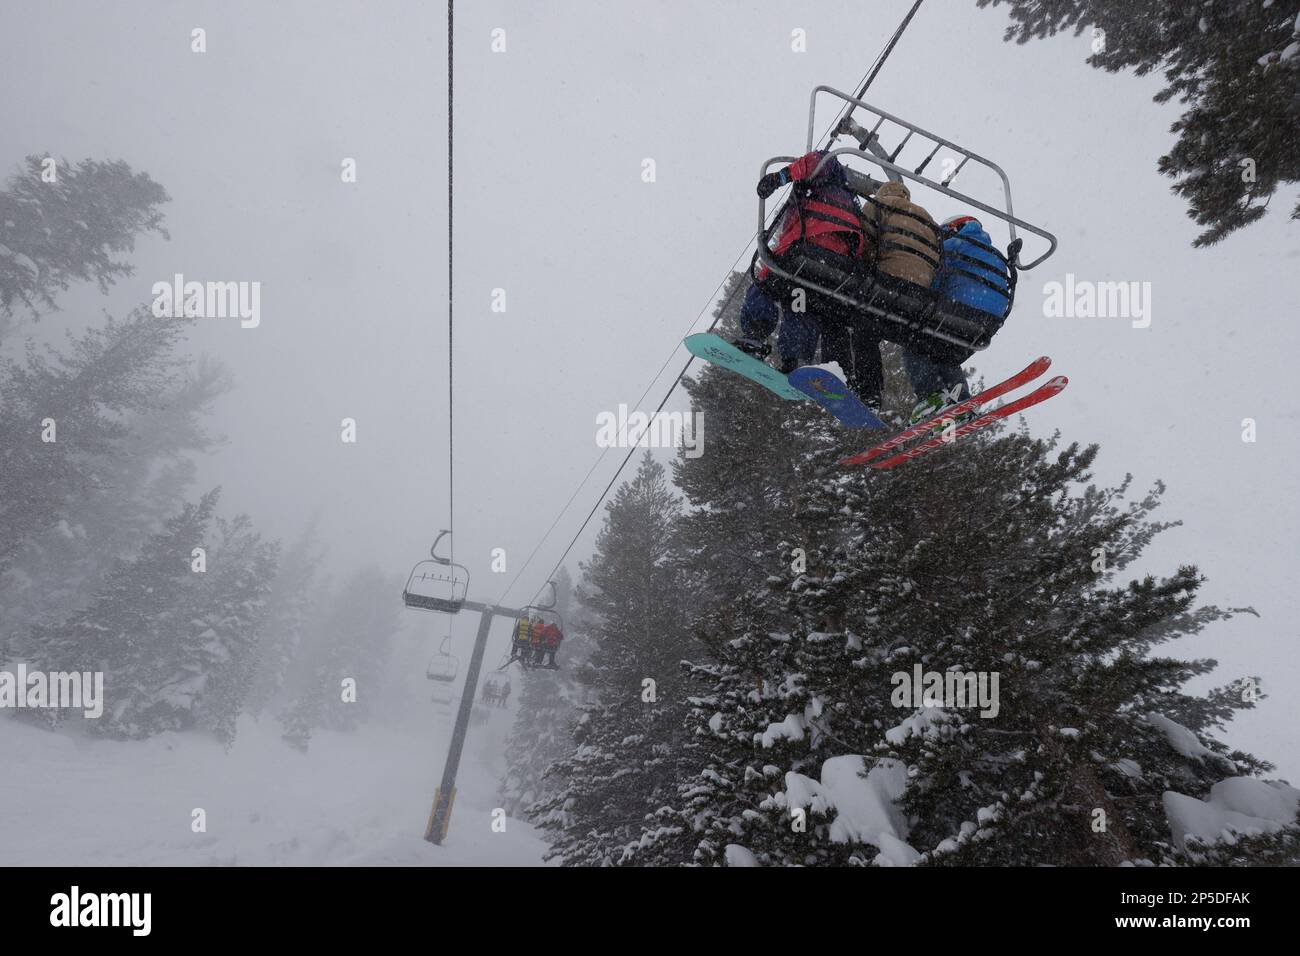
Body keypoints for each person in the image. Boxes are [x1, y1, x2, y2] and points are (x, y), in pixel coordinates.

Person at [737, 150, 875, 378]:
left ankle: (754, 335)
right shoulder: (850, 199)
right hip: (839, 264)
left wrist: (779, 178)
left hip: (808, 245)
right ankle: (797, 358)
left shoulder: (822, 171)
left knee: (765, 281)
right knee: (802, 301)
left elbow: (814, 162)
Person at [906, 214, 1012, 424]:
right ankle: (961, 403)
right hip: (987, 323)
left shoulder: (951, 245)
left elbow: (933, 281)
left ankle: (931, 397)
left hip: (957, 309)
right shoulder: (996, 256)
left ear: (953, 228)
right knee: (946, 354)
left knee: (913, 342)